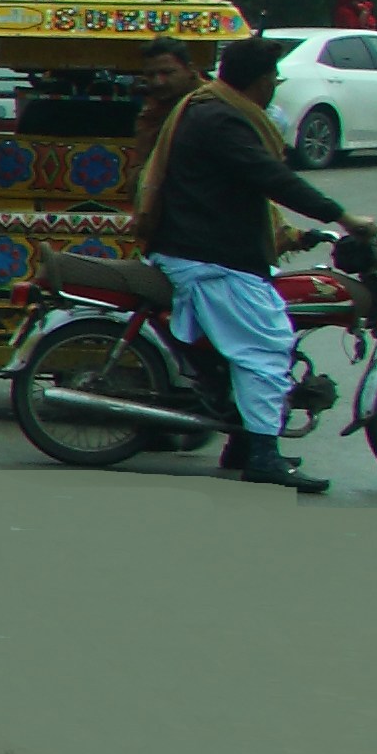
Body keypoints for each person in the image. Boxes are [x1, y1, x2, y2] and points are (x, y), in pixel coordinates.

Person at [130, 31, 358, 492]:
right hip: (210, 257)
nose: (275, 82)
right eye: (272, 75)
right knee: (266, 351)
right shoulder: (220, 119)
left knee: (251, 345)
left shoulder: (215, 110)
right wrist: (343, 216)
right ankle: (262, 456)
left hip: (207, 251)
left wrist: (296, 233)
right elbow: (272, 177)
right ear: (261, 81)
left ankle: (242, 441)